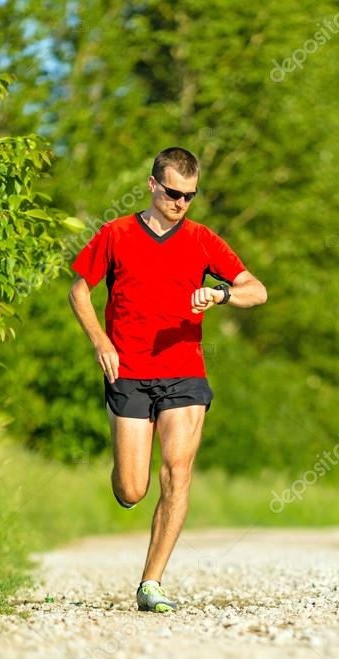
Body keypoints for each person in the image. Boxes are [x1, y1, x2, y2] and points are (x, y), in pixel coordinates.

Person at [68, 147, 267, 613]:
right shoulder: (115, 233)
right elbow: (79, 290)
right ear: (153, 185)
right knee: (132, 490)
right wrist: (100, 341)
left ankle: (151, 582)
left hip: (184, 373)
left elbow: (256, 290)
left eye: (190, 196)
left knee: (178, 470)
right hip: (129, 372)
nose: (181, 203)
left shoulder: (201, 239)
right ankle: (122, 471)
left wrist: (220, 294)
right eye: (174, 193)